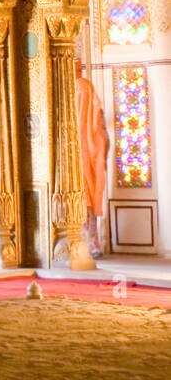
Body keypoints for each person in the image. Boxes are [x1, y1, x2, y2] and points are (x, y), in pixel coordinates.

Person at [75, 60, 109, 257]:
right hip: (92, 168)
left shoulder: (70, 118)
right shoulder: (96, 115)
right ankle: (91, 245)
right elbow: (105, 142)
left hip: (82, 168)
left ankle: (86, 245)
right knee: (87, 206)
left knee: (82, 204)